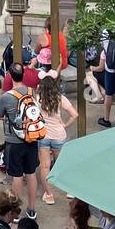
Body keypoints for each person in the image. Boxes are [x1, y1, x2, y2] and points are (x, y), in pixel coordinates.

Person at [0, 64, 41, 214]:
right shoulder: (31, 92)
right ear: (23, 74)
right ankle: (32, 208)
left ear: (9, 75)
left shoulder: (6, 97)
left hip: (14, 141)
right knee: (31, 173)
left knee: (16, 175)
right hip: (32, 137)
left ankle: (15, 211)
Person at [36, 72, 76, 206]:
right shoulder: (60, 98)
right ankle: (70, 191)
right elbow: (74, 115)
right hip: (59, 135)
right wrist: (64, 125)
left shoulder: (38, 98)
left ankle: (49, 195)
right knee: (62, 165)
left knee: (45, 166)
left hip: (44, 135)